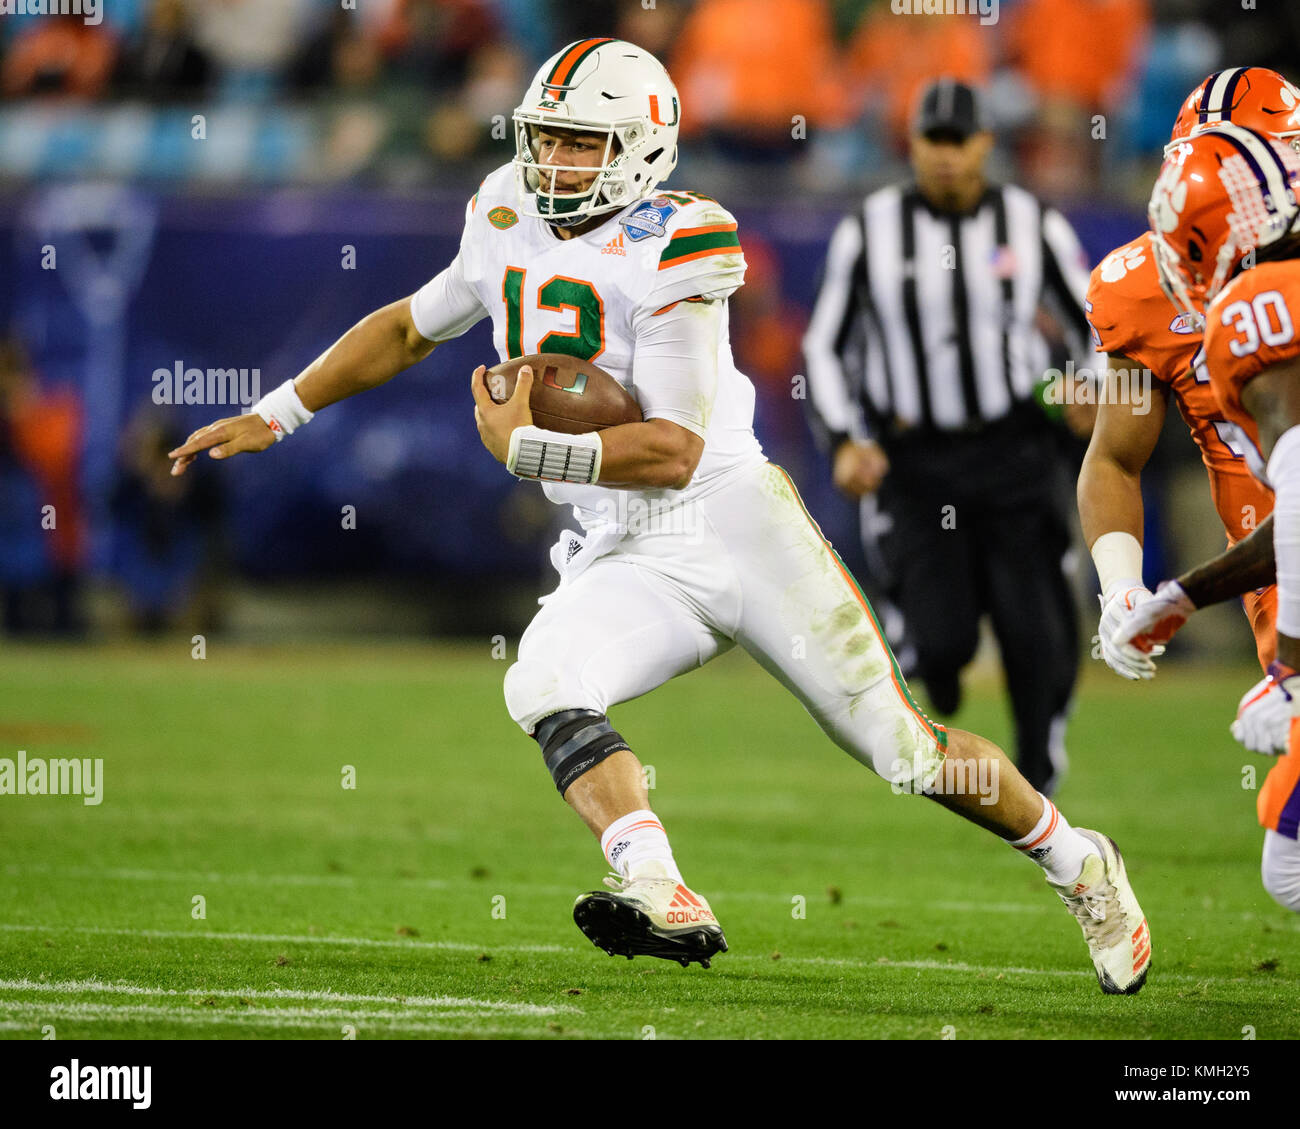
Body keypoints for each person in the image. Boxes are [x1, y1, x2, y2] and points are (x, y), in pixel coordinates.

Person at [168, 39, 1150, 993]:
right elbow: (406, 326)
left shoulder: (682, 237)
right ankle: (658, 884)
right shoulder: (505, 206)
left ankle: (1081, 863)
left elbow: (674, 448)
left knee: (903, 751)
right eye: (544, 136)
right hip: (625, 542)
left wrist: (525, 450)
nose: (552, 160)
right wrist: (278, 409)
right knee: (543, 677)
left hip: (729, 518)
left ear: (642, 144)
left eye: (580, 142)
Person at [803, 79, 1093, 796]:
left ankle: (1038, 770)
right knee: (944, 643)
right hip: (918, 459)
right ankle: (934, 658)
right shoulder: (870, 229)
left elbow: (1098, 327)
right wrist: (844, 437)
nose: (946, 155)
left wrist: (1095, 391)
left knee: (1035, 629)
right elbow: (823, 346)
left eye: (959, 140)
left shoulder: (1033, 223)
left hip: (1015, 451)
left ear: (986, 145)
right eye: (932, 139)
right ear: (913, 145)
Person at [1109, 122, 1300, 914]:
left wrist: (1291, 673)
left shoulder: (1258, 305)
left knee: (1288, 864)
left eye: (1183, 240)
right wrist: (1188, 593)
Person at [1081, 68, 1297, 729]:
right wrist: (1123, 584)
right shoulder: (1142, 287)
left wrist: (1178, 598)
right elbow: (1114, 457)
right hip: (1270, 571)